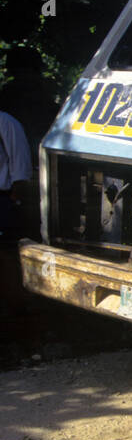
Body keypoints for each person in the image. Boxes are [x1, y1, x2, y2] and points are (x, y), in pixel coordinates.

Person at [0, 109, 33, 317]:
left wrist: (13, 200)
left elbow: (21, 169)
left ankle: (17, 310)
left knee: (4, 255)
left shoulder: (6, 122)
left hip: (2, 198)